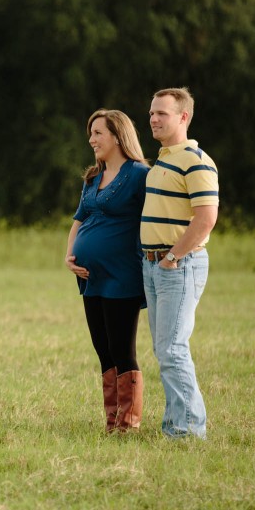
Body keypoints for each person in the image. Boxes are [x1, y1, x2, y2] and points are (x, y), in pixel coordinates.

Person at [140, 87, 218, 439]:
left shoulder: (195, 160)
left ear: (183, 117)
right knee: (164, 349)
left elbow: (206, 218)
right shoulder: (162, 160)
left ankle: (187, 432)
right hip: (154, 265)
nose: (154, 119)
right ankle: (175, 425)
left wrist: (172, 257)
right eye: (152, 113)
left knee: (172, 347)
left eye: (163, 113)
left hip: (178, 265)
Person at [65, 109, 150, 432]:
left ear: (117, 135)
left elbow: (155, 218)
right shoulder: (93, 178)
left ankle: (129, 422)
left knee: (121, 348)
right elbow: (79, 220)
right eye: (91, 133)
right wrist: (70, 255)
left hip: (122, 275)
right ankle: (112, 421)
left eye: (98, 132)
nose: (91, 139)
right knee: (102, 348)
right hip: (90, 277)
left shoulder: (140, 175)